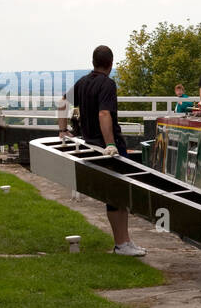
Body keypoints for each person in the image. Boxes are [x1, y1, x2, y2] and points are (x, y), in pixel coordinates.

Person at [57, 46, 146, 256]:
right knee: (117, 194)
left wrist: (62, 130)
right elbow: (104, 113)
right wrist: (111, 145)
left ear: (93, 62)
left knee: (118, 194)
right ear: (110, 63)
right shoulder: (107, 84)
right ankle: (121, 244)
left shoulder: (83, 82)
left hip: (89, 143)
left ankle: (125, 241)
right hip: (107, 145)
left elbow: (62, 102)